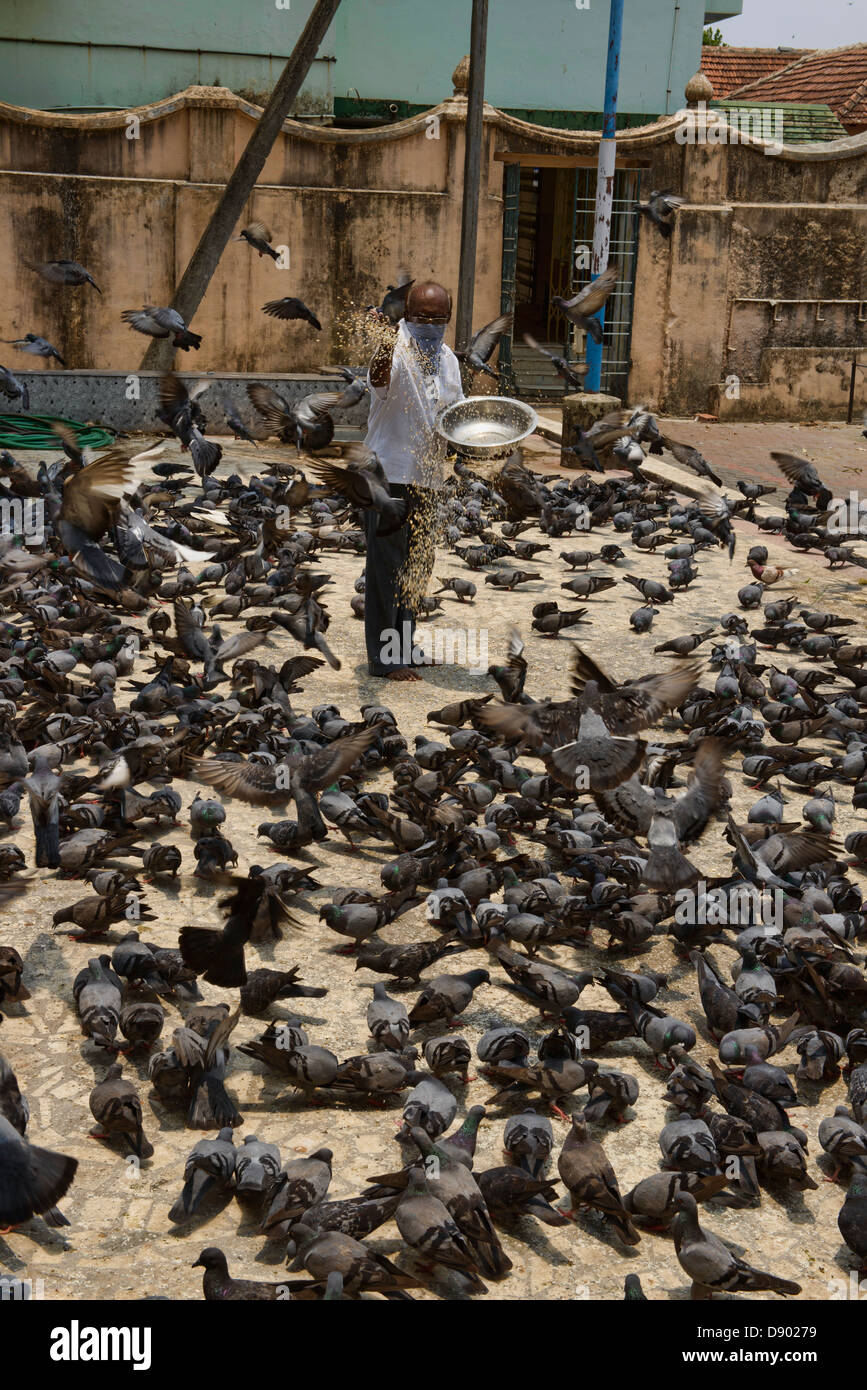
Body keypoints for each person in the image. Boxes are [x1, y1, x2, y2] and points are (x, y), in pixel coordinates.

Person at [363, 281, 464, 681]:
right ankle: (383, 659)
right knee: (386, 569)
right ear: (407, 315)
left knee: (417, 568)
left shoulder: (448, 359)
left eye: (439, 318)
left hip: (428, 477)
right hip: (388, 475)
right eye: (422, 316)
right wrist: (385, 341)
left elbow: (454, 415)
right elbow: (378, 380)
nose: (430, 324)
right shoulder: (393, 348)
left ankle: (403, 647)